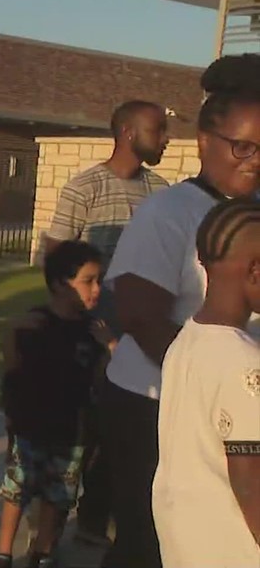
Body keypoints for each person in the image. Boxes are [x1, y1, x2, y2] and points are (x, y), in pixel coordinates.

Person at [101, 52, 260, 568]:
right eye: (242, 147)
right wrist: (213, 387)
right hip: (158, 404)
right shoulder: (169, 211)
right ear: (204, 143)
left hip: (231, 406)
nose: (253, 160)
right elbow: (140, 315)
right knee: (152, 543)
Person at [0, 241, 112, 568]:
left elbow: (100, 381)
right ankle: (3, 552)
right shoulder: (33, 325)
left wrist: (110, 348)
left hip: (72, 430)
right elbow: (14, 375)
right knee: (17, 490)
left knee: (58, 496)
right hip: (31, 427)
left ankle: (42, 552)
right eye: (88, 281)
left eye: (98, 280)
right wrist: (15, 420)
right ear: (60, 282)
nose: (96, 289)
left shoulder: (93, 332)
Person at [153, 197, 260, 567]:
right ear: (255, 271)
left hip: (184, 542)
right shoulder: (245, 363)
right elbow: (250, 478)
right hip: (231, 548)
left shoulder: (186, 340)